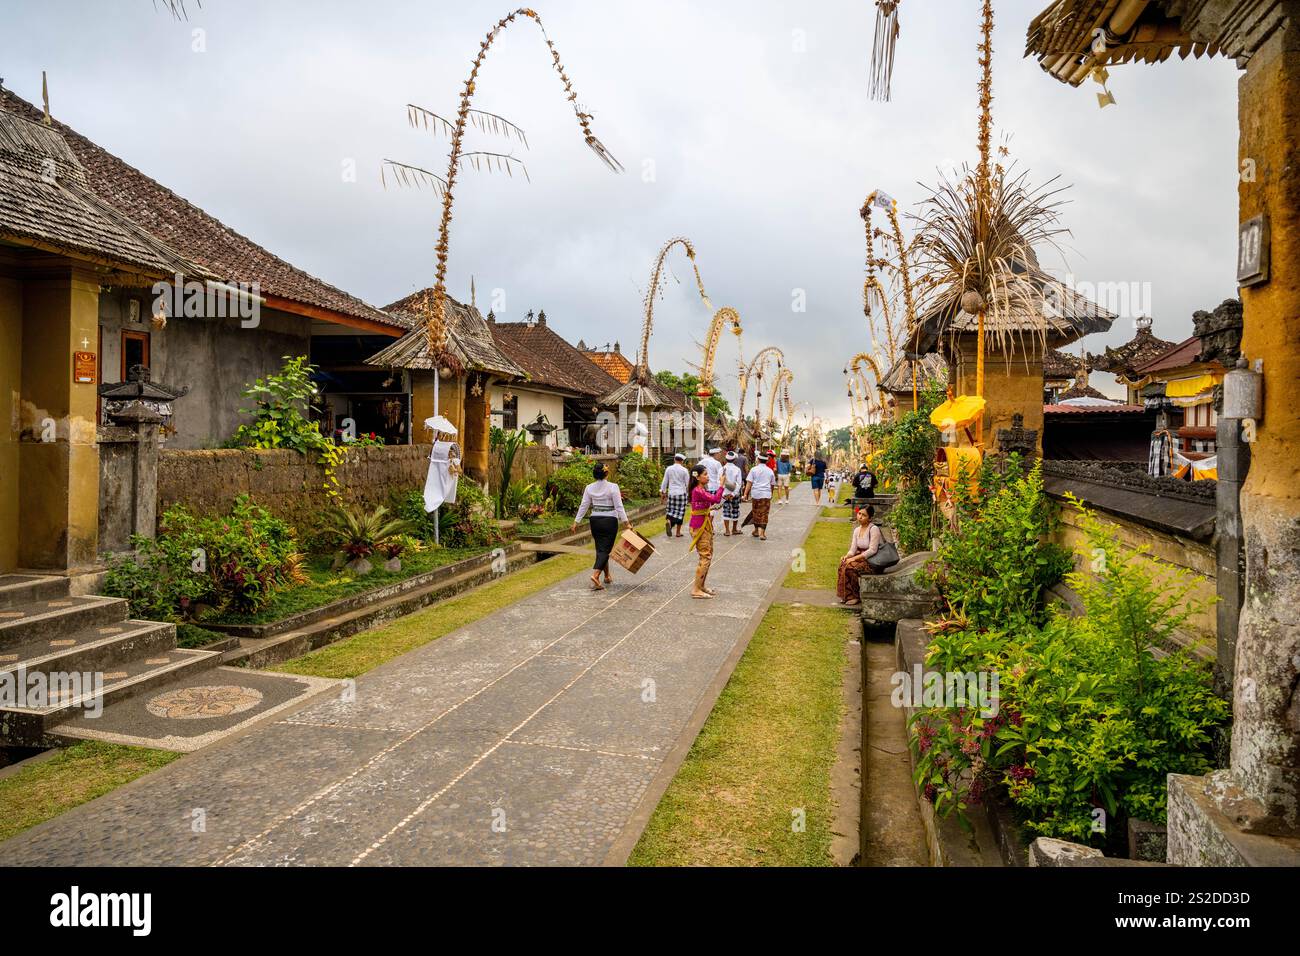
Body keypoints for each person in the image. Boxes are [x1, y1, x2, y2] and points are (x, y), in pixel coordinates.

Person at [572, 462, 631, 591]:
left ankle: (607, 576)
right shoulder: (613, 487)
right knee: (606, 550)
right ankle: (596, 575)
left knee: (601, 549)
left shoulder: (589, 487)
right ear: (606, 473)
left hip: (595, 520)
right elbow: (619, 507)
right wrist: (626, 523)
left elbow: (584, 505)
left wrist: (576, 521)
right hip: (610, 521)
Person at [688, 463, 725, 599]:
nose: (708, 476)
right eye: (705, 474)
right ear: (697, 477)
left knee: (708, 555)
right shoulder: (698, 490)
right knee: (705, 556)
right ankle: (696, 589)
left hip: (705, 524)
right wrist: (721, 485)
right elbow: (715, 499)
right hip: (699, 527)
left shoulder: (701, 489)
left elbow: (711, 502)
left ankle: (701, 586)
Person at [837, 505, 884, 606]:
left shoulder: (873, 529)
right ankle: (846, 595)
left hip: (872, 562)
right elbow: (853, 549)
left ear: (870, 518)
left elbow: (872, 550)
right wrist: (847, 556)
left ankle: (855, 596)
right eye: (859, 514)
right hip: (860, 558)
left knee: (850, 567)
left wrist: (853, 559)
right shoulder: (857, 530)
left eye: (864, 515)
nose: (860, 517)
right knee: (843, 563)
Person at [743, 454, 776, 540]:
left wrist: (745, 494)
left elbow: (749, 482)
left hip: (756, 494)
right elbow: (772, 484)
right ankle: (762, 533)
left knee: (756, 512)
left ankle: (756, 530)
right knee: (764, 513)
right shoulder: (770, 471)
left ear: (758, 459)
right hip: (766, 494)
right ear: (767, 461)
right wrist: (771, 493)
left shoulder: (754, 470)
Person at [660, 452, 690, 539]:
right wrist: (689, 495)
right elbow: (687, 484)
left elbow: (665, 481)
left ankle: (669, 521)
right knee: (680, 512)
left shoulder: (669, 469)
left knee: (671, 510)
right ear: (682, 461)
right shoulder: (684, 470)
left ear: (674, 459)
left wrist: (663, 492)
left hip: (672, 493)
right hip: (681, 493)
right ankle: (678, 532)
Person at [721, 451, 743, 536]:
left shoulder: (721, 469)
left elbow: (720, 482)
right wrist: (733, 494)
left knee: (726, 510)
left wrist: (724, 494)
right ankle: (734, 529)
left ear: (726, 459)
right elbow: (739, 483)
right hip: (735, 494)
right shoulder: (737, 469)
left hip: (725, 494)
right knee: (735, 510)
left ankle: (727, 531)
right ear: (734, 460)